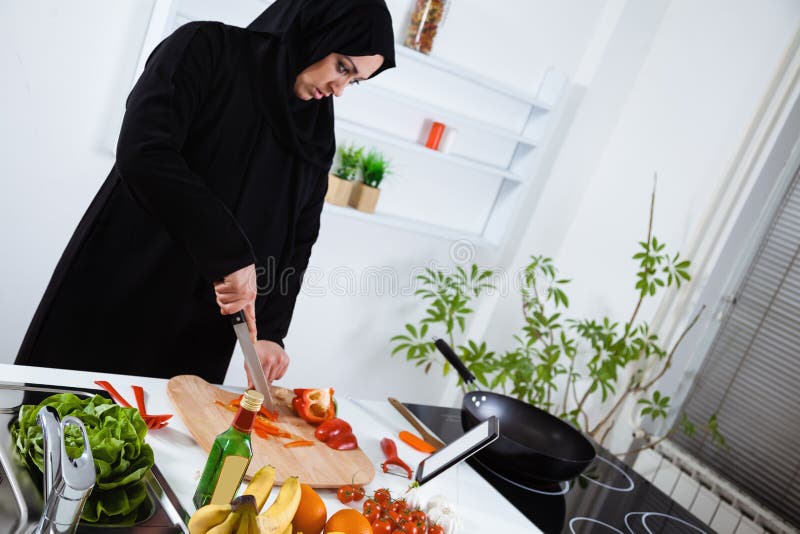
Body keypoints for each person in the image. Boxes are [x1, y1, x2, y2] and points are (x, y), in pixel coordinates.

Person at [15, 0, 396, 384]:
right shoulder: (206, 47)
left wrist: (270, 333)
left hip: (201, 330)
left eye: (355, 80)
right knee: (54, 427)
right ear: (315, 30)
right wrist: (230, 254)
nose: (341, 89)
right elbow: (144, 151)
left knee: (164, 437)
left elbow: (298, 237)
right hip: (122, 285)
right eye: (343, 67)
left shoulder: (315, 131)